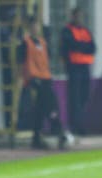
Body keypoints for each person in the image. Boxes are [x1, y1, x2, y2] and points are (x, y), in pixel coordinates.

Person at [17, 17, 64, 150]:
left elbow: (46, 60)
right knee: (49, 104)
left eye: (37, 26)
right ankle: (58, 130)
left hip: (45, 78)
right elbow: (20, 63)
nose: (35, 28)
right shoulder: (25, 43)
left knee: (40, 109)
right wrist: (23, 79)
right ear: (29, 27)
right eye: (33, 26)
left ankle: (37, 137)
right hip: (34, 80)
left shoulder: (43, 43)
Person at [61, 7, 95, 140]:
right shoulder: (67, 30)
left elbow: (92, 47)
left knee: (84, 95)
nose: (80, 19)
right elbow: (70, 45)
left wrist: (80, 46)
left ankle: (80, 123)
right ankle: (75, 126)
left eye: (81, 16)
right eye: (77, 16)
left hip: (85, 67)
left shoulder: (86, 31)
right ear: (73, 17)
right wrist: (82, 46)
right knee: (74, 97)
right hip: (73, 67)